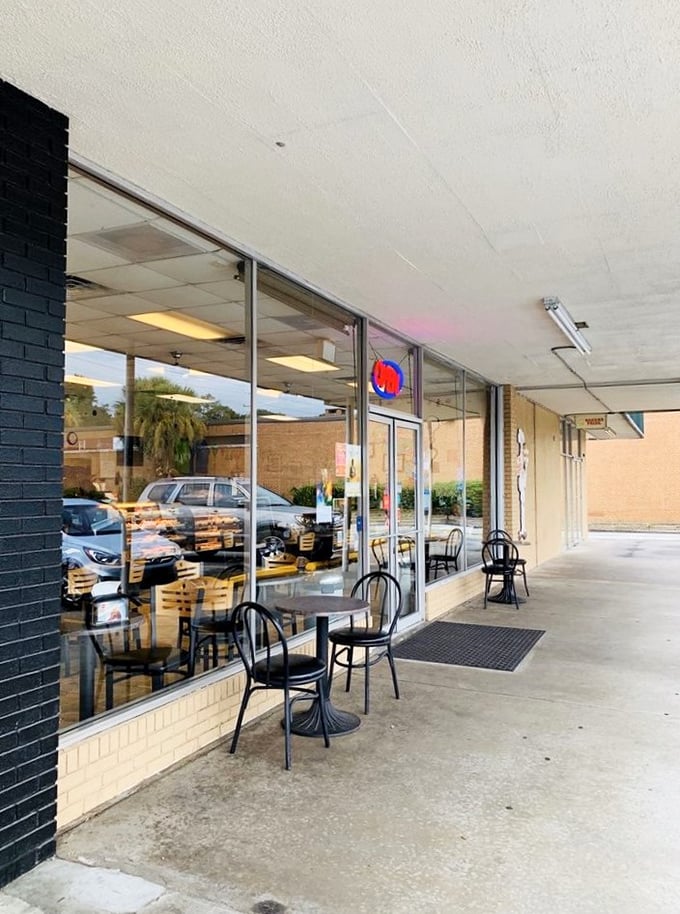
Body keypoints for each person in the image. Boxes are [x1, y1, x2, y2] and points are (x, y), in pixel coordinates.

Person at [516, 428, 529, 541]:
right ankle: (522, 528)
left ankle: (523, 528)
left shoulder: (524, 460)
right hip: (521, 482)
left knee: (522, 499)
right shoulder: (519, 459)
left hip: (522, 482)